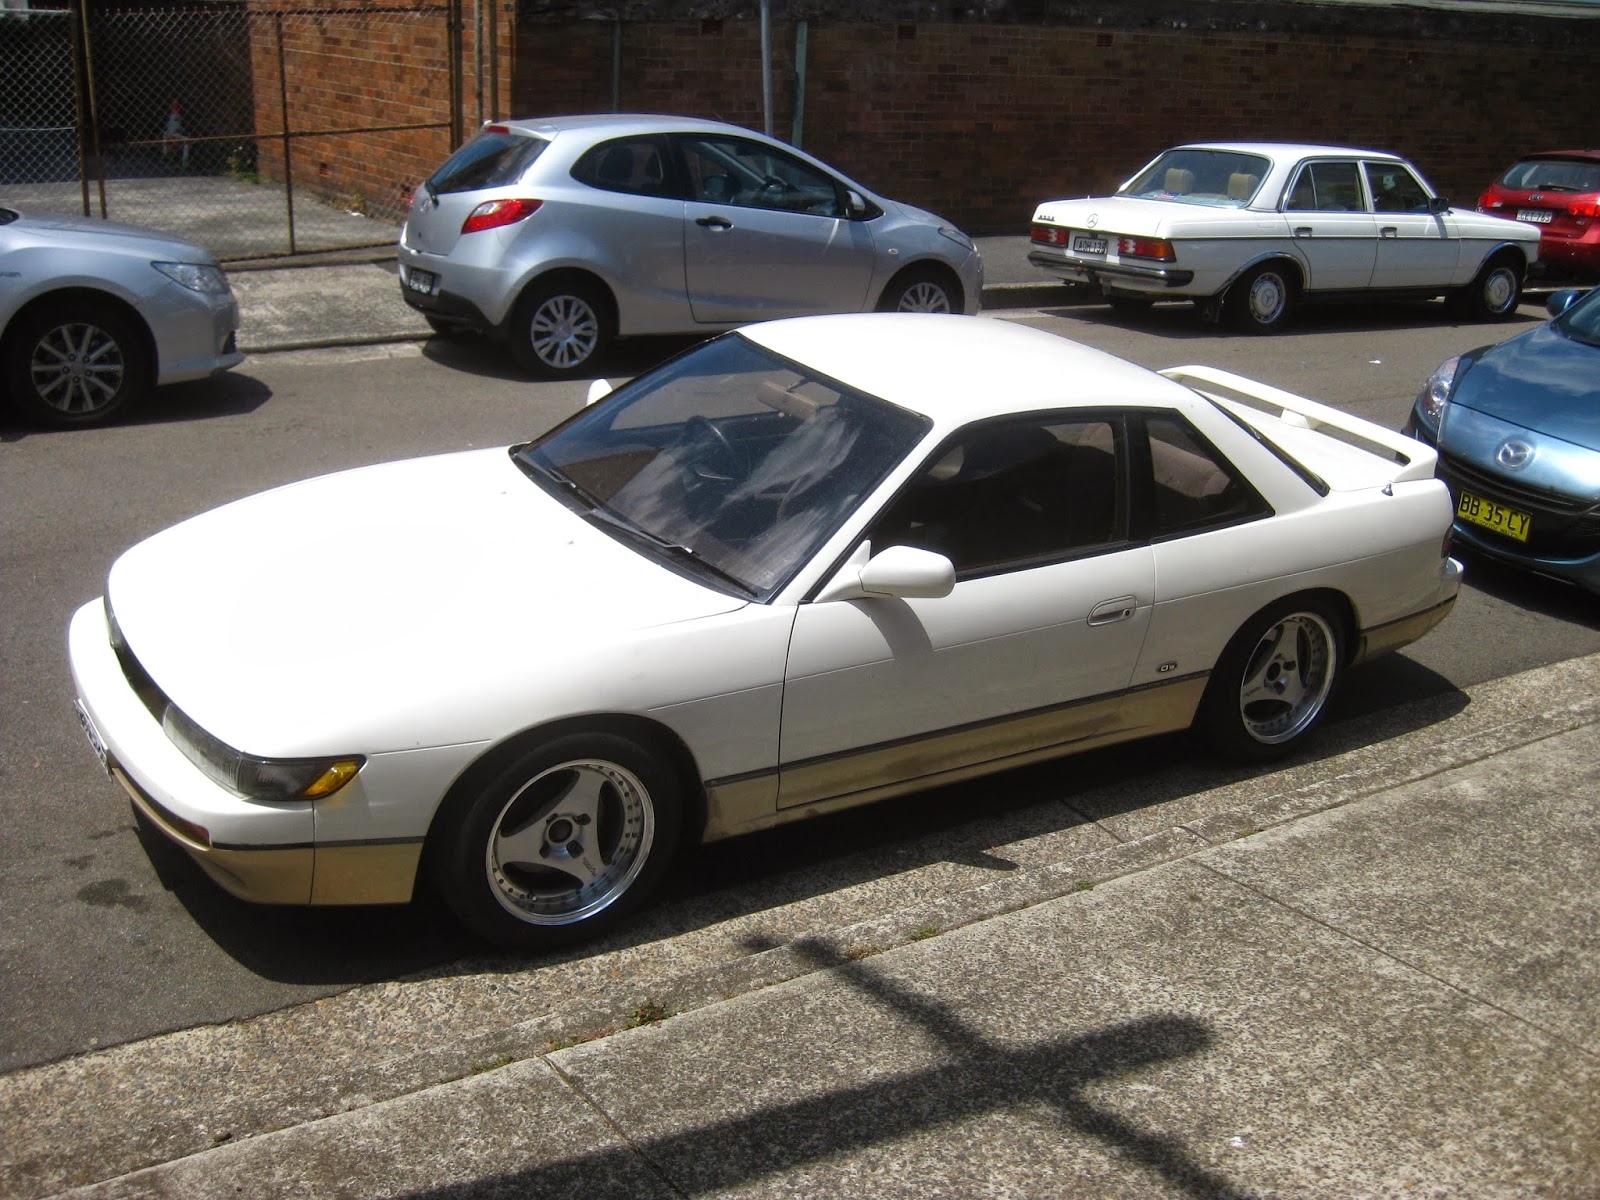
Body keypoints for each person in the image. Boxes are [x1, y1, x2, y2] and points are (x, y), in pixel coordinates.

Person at [161, 100, 189, 169]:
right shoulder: (168, 117)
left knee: (187, 140)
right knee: (164, 134)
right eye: (173, 106)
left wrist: (177, 137)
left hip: (177, 135)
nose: (174, 108)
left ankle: (184, 163)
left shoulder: (180, 117)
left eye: (176, 106)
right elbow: (166, 127)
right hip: (169, 135)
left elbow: (182, 128)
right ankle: (165, 155)